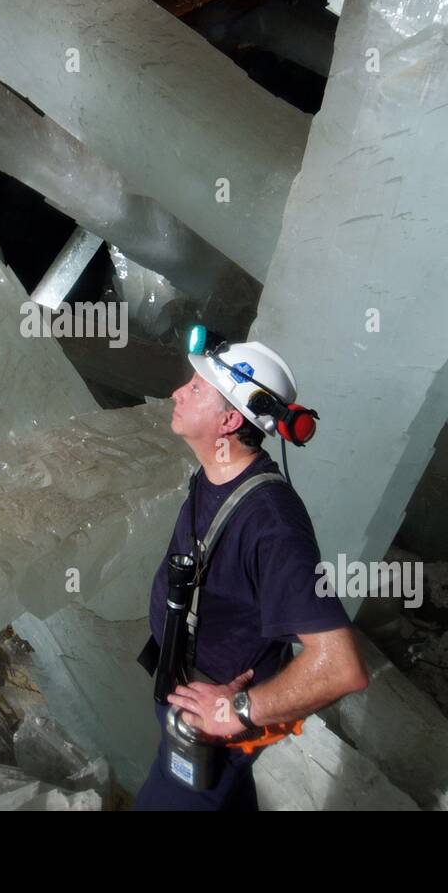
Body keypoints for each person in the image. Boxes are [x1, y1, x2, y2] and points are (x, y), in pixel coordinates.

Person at [131, 336, 369, 811]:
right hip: (186, 690)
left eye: (197, 389)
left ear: (229, 420)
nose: (178, 392)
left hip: (208, 729)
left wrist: (238, 711)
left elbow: (341, 667)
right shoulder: (214, 473)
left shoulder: (270, 524)